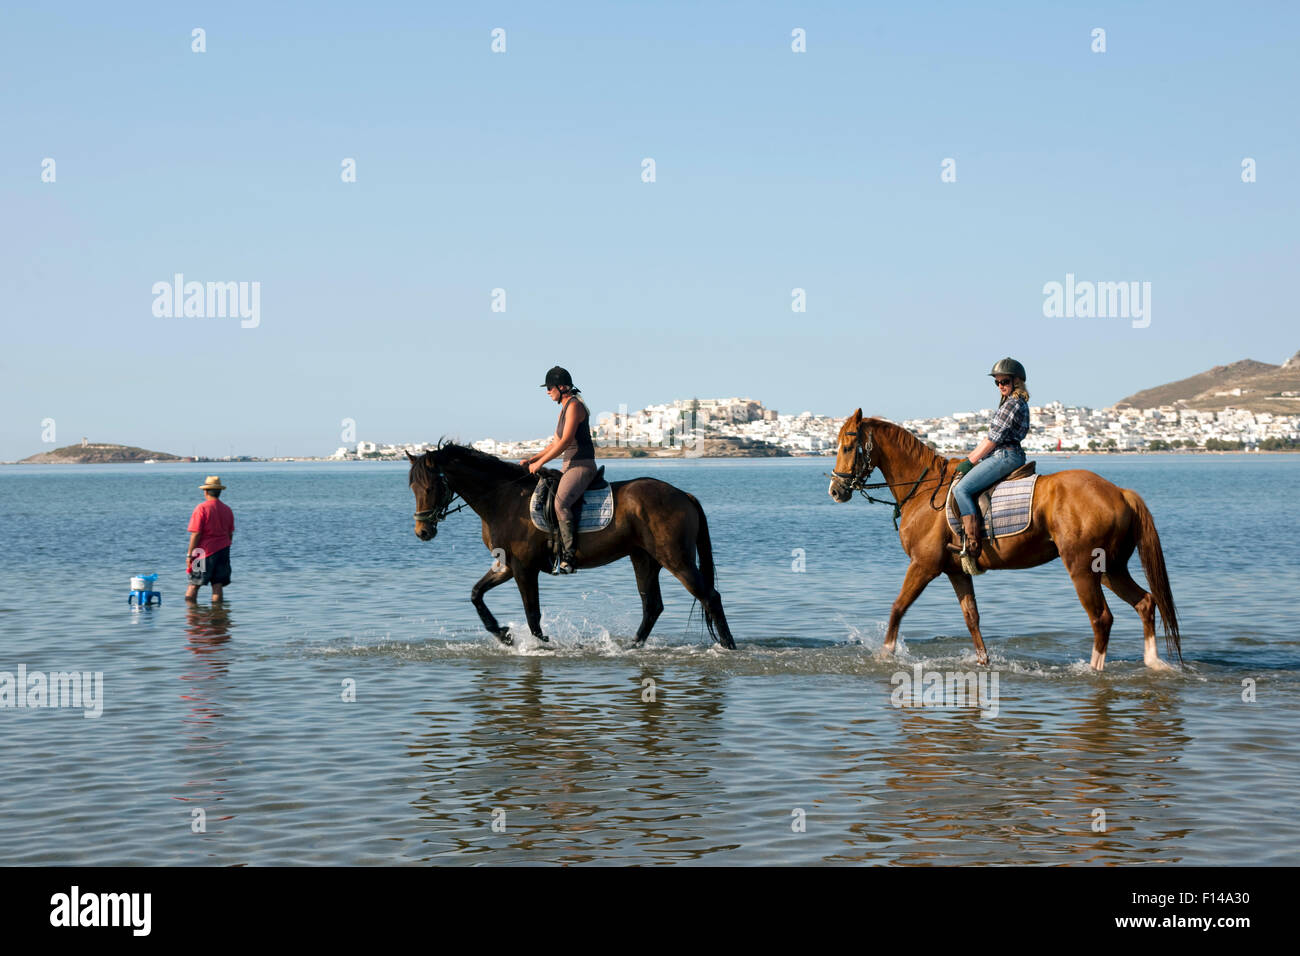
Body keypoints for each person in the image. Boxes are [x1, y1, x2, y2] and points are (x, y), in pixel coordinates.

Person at [951, 358, 1031, 559]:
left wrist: (970, 462)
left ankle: (971, 543)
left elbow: (992, 440)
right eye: (997, 382)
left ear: (1017, 381)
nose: (1000, 386)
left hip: (1005, 455)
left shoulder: (1012, 404)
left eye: (1004, 381)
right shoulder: (1013, 402)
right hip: (1007, 454)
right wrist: (970, 459)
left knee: (961, 489)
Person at [520, 366, 596, 574]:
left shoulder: (574, 406)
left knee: (560, 503)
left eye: (550, 387)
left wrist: (540, 464)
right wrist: (532, 460)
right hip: (568, 466)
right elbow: (553, 444)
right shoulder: (563, 408)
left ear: (562, 387)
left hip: (582, 465)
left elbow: (565, 443)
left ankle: (569, 556)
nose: (548, 391)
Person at [186, 476, 235, 602]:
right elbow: (230, 534)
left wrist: (190, 555)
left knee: (194, 584)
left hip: (202, 552)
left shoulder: (201, 508)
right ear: (219, 492)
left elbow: (196, 533)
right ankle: (218, 617)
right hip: (223, 550)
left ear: (206, 491)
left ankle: (191, 615)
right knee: (217, 585)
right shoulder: (227, 509)